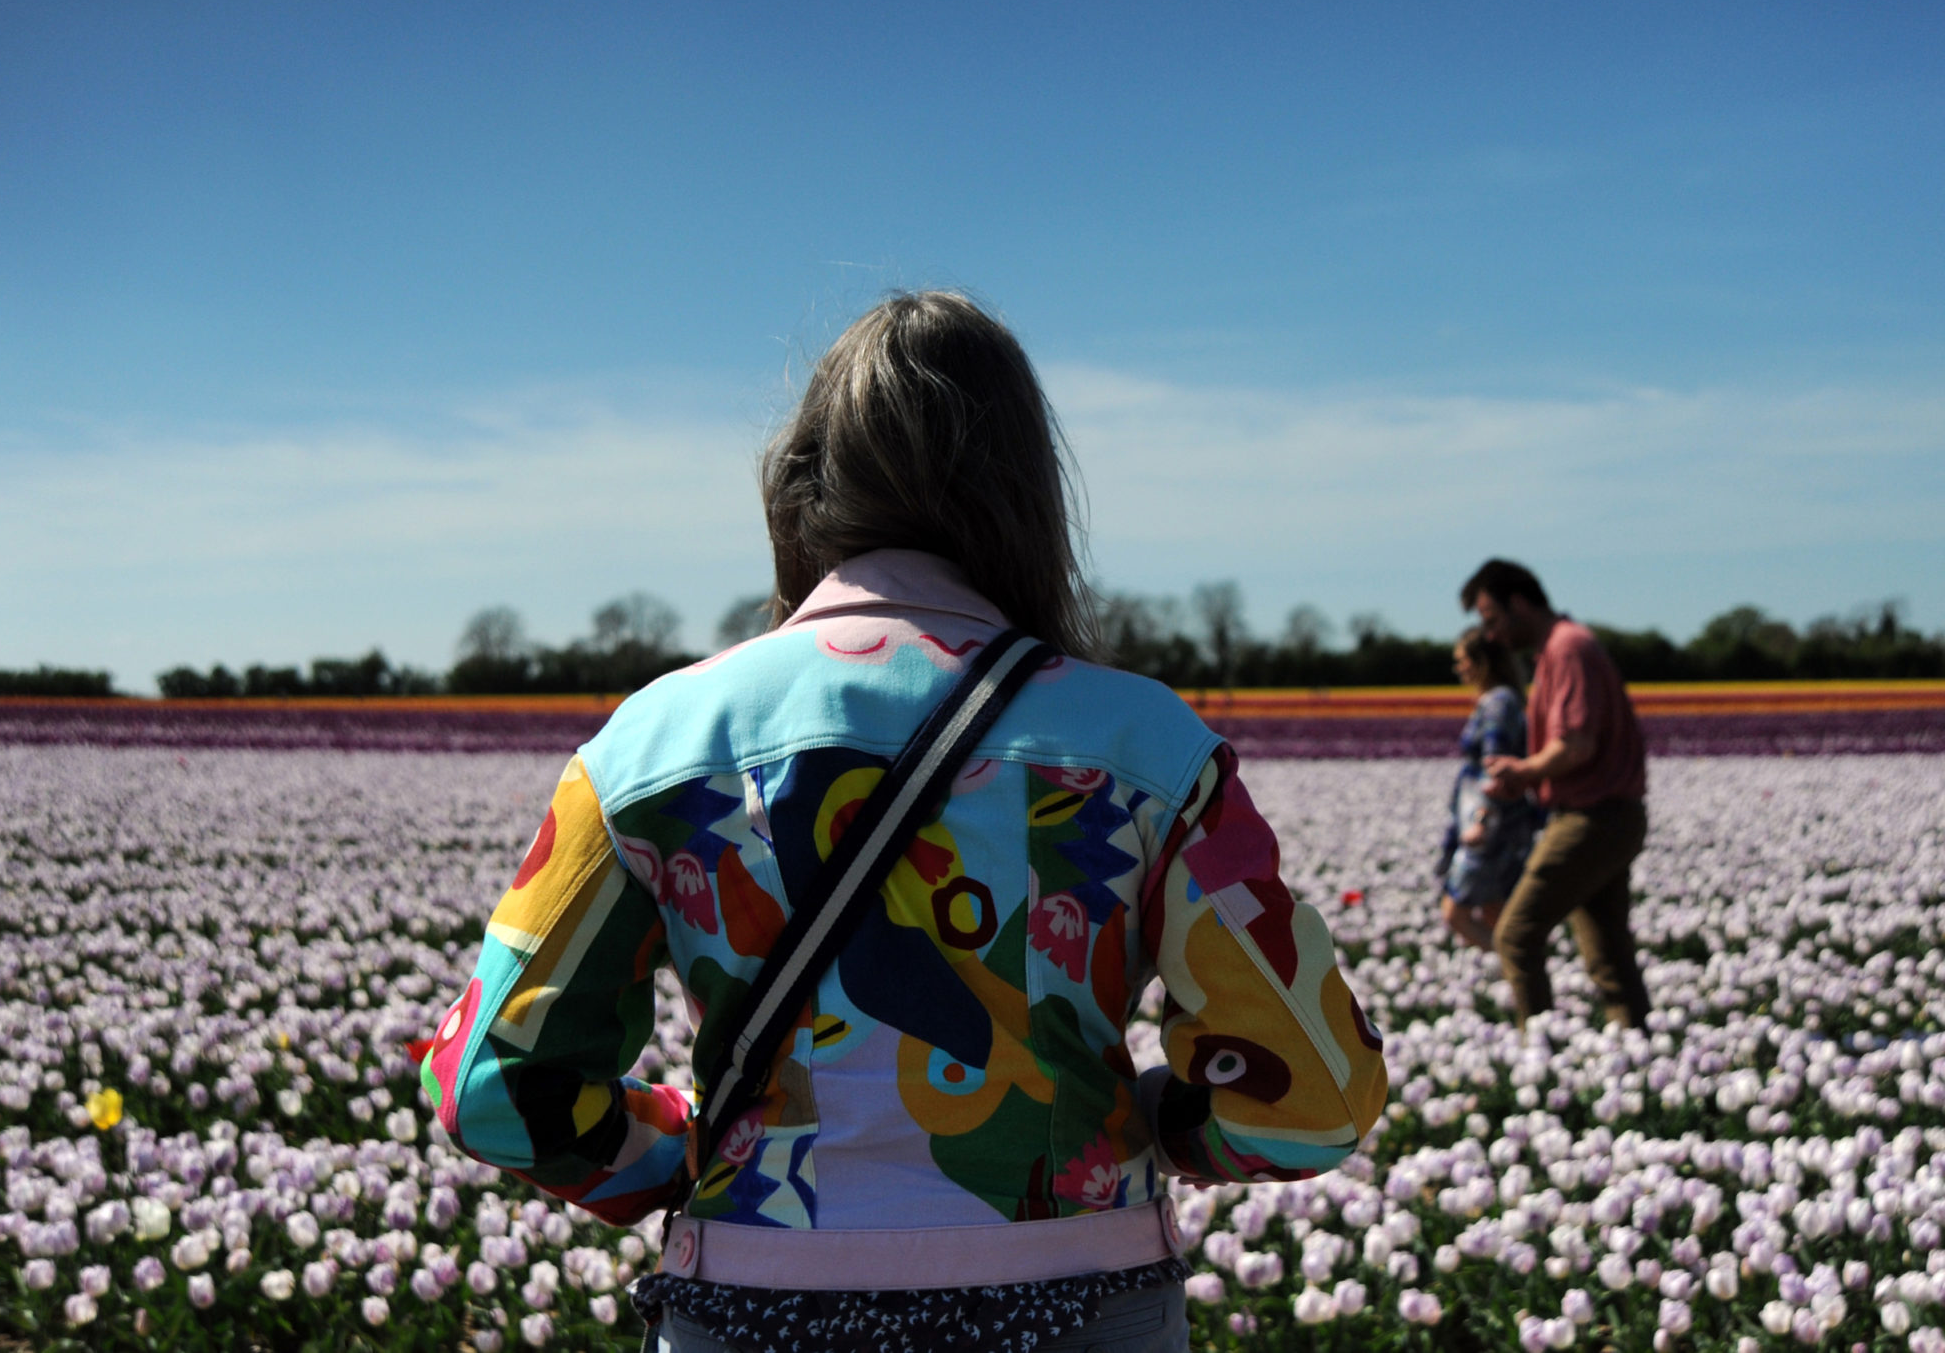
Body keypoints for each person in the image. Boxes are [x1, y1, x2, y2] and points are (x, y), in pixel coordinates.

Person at [421, 292, 1388, 1353]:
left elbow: (495, 1088)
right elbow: (1311, 1099)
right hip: (1079, 1301)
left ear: (799, 486)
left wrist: (674, 1151)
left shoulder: (651, 743)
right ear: (1026, 491)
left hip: (754, 1303)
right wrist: (1162, 1120)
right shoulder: (1143, 744)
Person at [1462, 558, 1650, 1031]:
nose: (1490, 635)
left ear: (1520, 603)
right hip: (1607, 815)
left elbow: (1576, 743)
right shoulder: (1559, 649)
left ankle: (1539, 1053)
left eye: (1492, 619)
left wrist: (1523, 771)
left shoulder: (1568, 648)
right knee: (1607, 951)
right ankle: (1635, 1040)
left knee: (1517, 934)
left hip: (1591, 818)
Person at [1436, 626, 1541, 952]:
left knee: (1456, 912)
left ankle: (1519, 969)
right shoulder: (1502, 700)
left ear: (1482, 662)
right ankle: (1522, 981)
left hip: (1491, 826)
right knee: (1497, 912)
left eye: (1462, 660)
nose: (1458, 669)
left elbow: (1495, 766)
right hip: (1497, 822)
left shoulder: (1497, 704)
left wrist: (1481, 818)